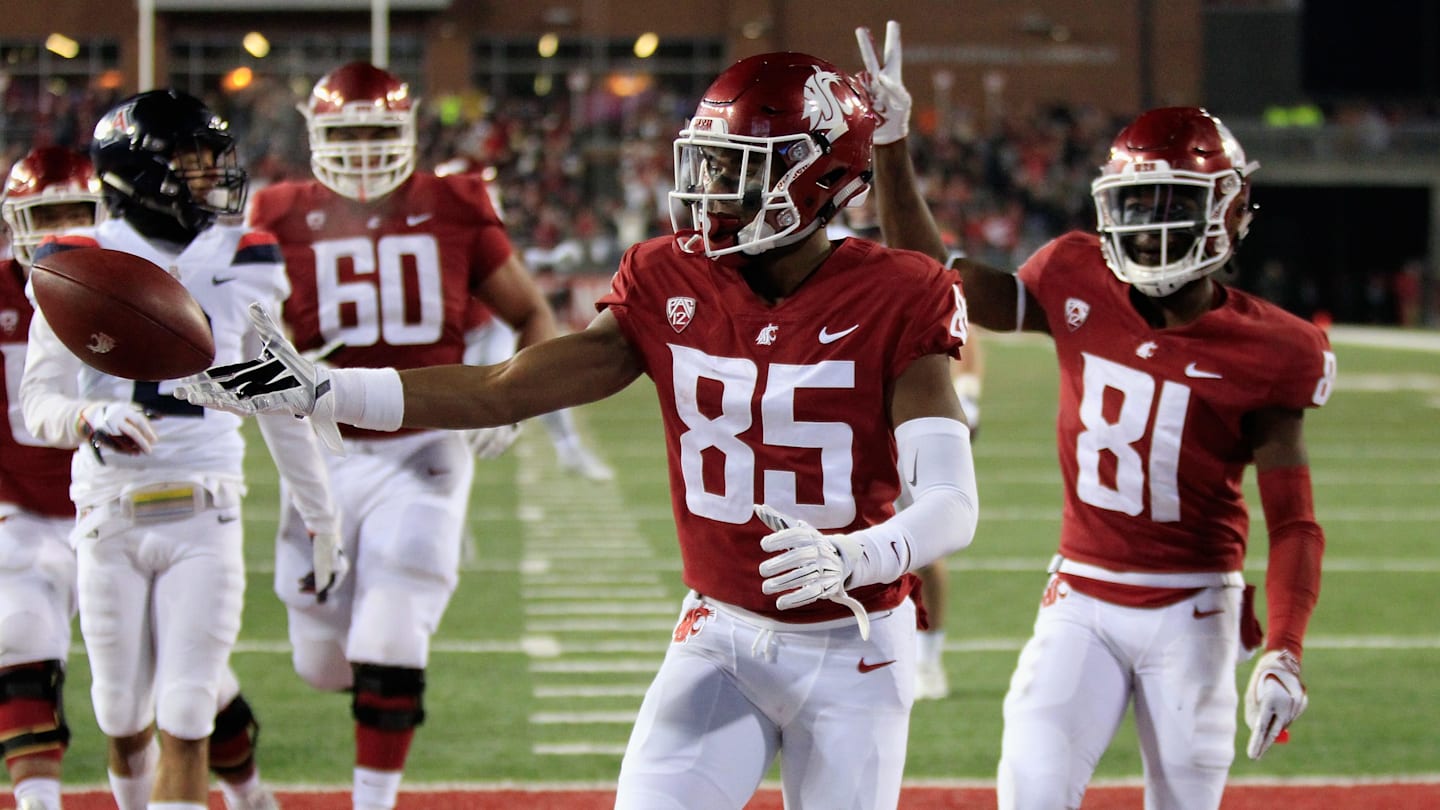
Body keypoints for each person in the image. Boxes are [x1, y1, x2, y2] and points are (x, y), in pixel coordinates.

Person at [178, 51, 981, 810]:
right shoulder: (669, 276)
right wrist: (326, 389)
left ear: (818, 177)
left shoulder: (898, 292)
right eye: (709, 162)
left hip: (855, 644)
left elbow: (952, 502)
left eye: (737, 168)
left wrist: (856, 555)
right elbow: (504, 387)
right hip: (722, 633)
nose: (711, 188)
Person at [859, 21, 1333, 809]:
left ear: (1227, 211)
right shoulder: (1077, 274)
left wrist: (1284, 649)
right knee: (1030, 792)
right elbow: (931, 277)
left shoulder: (1273, 347)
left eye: (1171, 204)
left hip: (1196, 609)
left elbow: (1294, 524)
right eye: (1135, 203)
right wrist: (892, 145)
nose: (1148, 226)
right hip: (1081, 596)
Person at [244, 61, 562, 810]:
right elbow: (245, 337)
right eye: (347, 135)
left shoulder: (454, 203)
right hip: (322, 453)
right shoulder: (276, 212)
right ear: (316, 137)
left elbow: (531, 314)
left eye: (376, 133)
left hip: (427, 443)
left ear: (408, 131)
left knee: (393, 629)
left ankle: (374, 801)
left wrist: (513, 401)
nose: (362, 151)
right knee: (321, 664)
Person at [19, 89, 342, 810]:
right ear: (141, 172)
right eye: (194, 161)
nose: (213, 176)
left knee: (190, 710)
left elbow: (281, 402)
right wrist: (89, 414)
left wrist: (322, 517)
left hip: (207, 505)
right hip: (109, 510)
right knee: (121, 715)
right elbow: (37, 405)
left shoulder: (246, 256)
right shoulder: (76, 260)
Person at [0, 146, 103, 810]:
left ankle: (247, 791)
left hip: (118, 504)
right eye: (46, 216)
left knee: (180, 689)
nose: (61, 231)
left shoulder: (137, 290)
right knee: (20, 635)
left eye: (77, 214)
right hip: (21, 509)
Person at [462, 298, 615, 480]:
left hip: (483, 328)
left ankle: (570, 448)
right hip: (455, 336)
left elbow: (530, 307)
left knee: (541, 378)